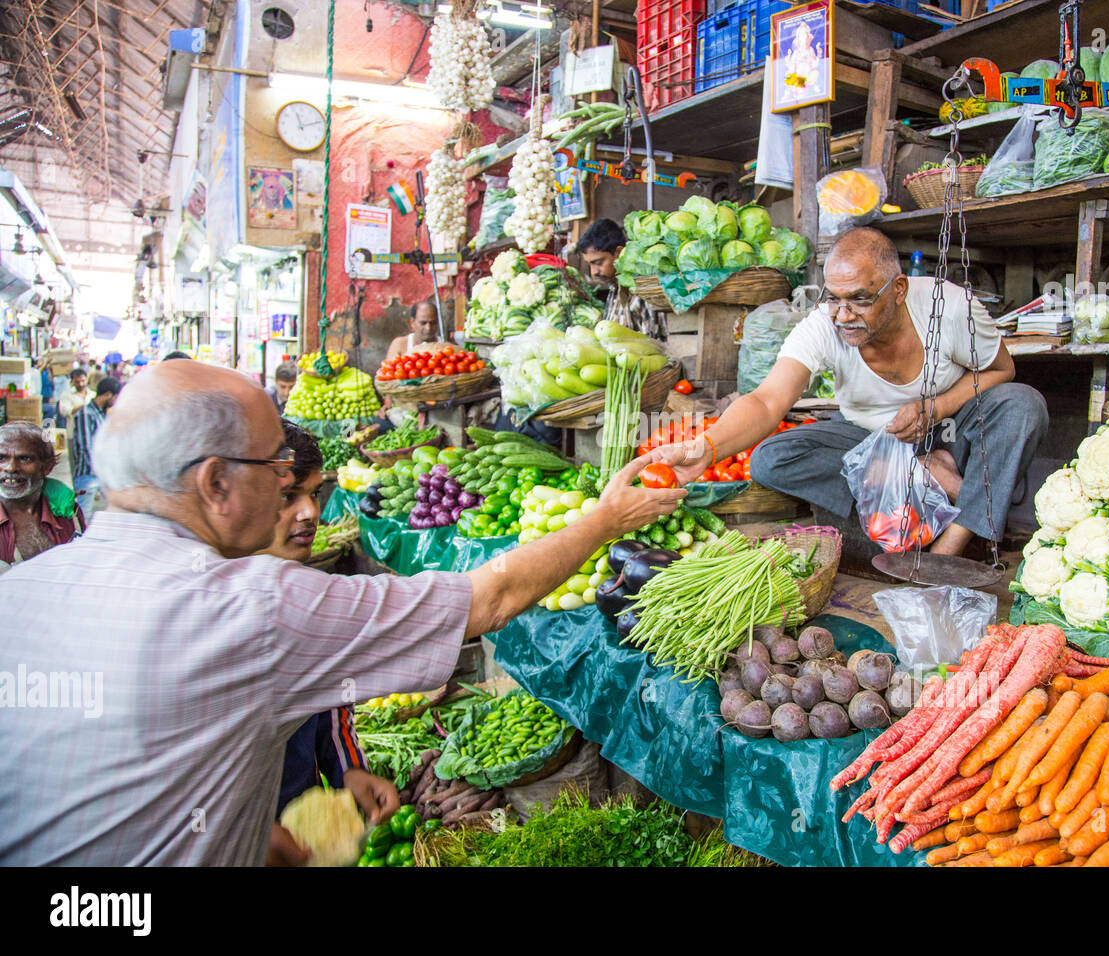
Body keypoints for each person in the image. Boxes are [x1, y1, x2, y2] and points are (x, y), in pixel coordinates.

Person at [0, 360, 684, 865]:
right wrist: (606, 519)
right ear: (214, 482)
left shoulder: (21, 593)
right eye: (274, 468)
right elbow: (490, 599)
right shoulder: (251, 602)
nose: (295, 500)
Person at [650, 227, 1048, 557]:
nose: (843, 316)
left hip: (950, 433)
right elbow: (768, 400)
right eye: (834, 299)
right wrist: (708, 448)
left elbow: (1001, 369)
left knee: (1021, 404)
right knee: (772, 458)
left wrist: (935, 406)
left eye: (859, 299)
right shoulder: (824, 326)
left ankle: (952, 545)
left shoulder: (950, 309)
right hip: (867, 441)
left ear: (898, 289)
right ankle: (934, 482)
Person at [264, 421, 399, 866]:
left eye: (315, 494)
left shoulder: (309, 594)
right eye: (289, 497)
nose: (310, 512)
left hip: (300, 819)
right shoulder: (204, 608)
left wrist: (350, 771)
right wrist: (250, 827)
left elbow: (330, 697)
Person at [0, 423, 85, 572]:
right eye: (1, 458)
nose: (10, 468)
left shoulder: (68, 513)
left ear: (47, 467)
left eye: (24, 458)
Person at [68, 377, 121, 517]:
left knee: (117, 510)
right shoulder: (86, 414)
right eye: (115, 397)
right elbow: (86, 448)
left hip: (101, 474)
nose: (116, 402)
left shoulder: (102, 414)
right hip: (88, 474)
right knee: (82, 517)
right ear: (108, 394)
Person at [576, 218, 626, 288]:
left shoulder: (640, 288)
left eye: (598, 263)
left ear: (619, 253)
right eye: (589, 264)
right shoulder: (613, 285)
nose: (593, 272)